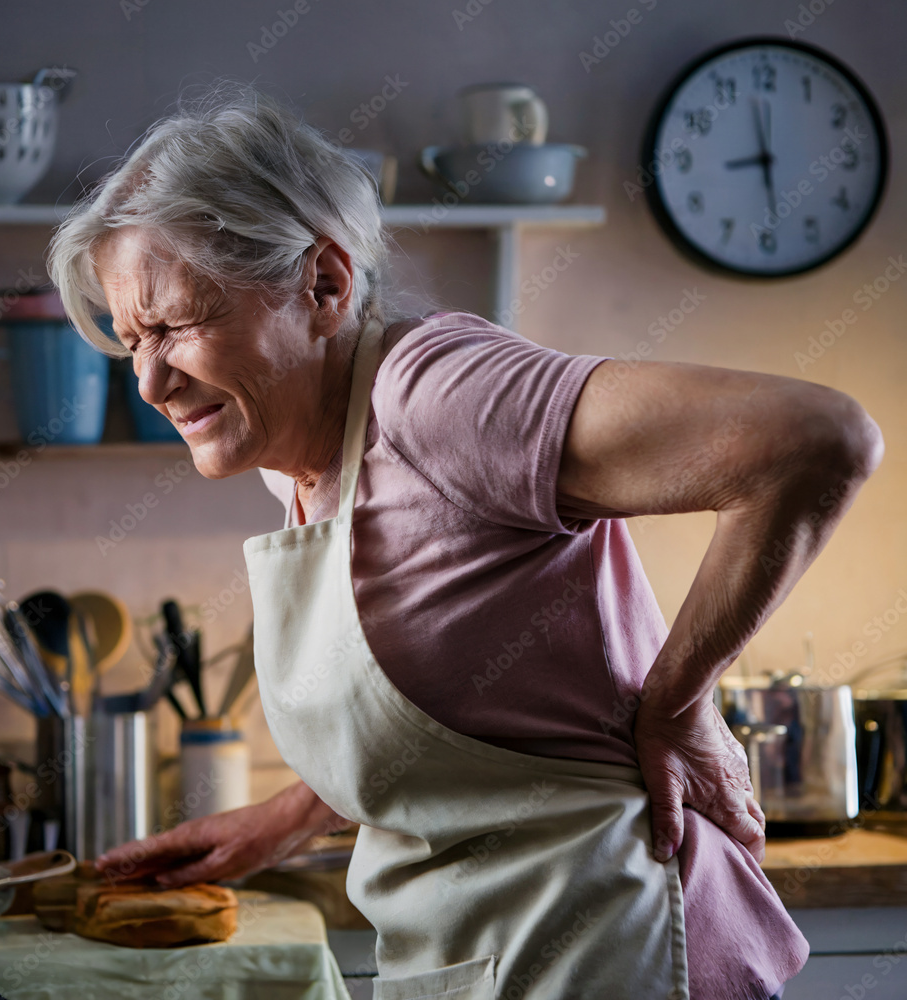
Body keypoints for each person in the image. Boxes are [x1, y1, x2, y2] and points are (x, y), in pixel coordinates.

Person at [48, 86, 883, 1000]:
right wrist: (283, 821)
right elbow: (476, 706)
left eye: (176, 325)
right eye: (132, 341)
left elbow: (815, 440)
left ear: (323, 286)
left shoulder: (438, 392)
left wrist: (678, 703)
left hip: (609, 947)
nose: (151, 382)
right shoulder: (298, 463)